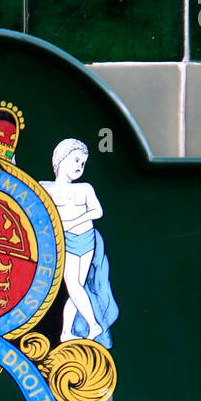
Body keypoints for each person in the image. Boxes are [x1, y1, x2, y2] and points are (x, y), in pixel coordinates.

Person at [41, 138, 119, 346]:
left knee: (77, 287)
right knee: (74, 285)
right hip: (65, 241)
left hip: (86, 239)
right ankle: (92, 325)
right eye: (76, 160)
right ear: (61, 158)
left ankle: (67, 332)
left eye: (82, 164)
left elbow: (97, 211)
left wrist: (70, 221)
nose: (79, 167)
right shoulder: (45, 188)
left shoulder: (85, 188)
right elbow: (26, 195)